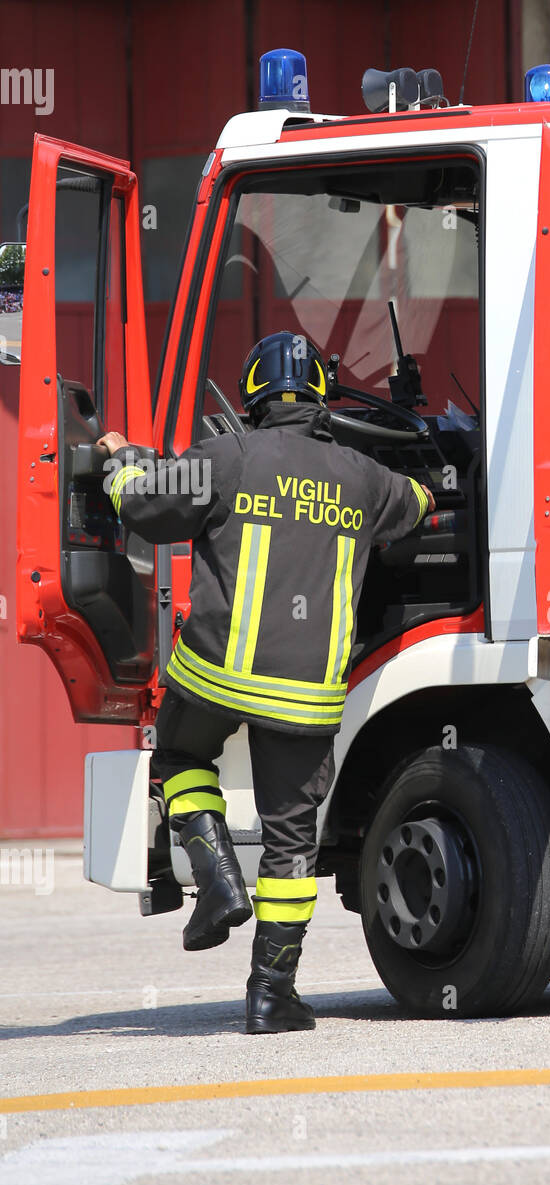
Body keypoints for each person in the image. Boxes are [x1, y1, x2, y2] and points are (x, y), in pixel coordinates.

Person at [97, 331, 434, 1033]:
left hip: (215, 675)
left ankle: (217, 877)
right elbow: (418, 504)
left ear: (252, 395)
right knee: (291, 843)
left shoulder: (227, 455)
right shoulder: (364, 478)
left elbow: (143, 507)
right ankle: (270, 994)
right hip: (305, 696)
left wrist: (120, 462)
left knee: (182, 758)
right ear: (319, 394)